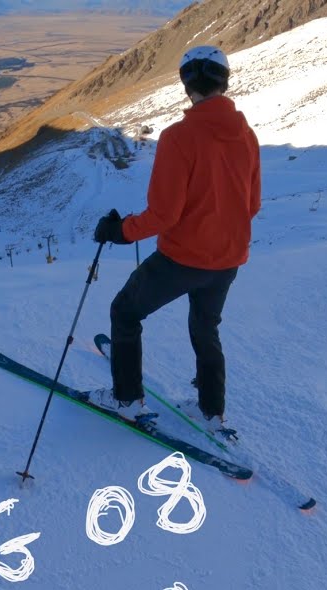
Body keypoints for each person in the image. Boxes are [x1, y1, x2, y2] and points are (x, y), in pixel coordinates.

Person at [89, 45, 260, 442]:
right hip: (228, 259)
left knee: (125, 312)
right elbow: (250, 204)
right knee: (206, 329)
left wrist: (119, 231)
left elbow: (164, 214)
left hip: (182, 259)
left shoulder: (179, 137)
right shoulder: (246, 136)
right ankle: (210, 411)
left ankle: (127, 400)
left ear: (187, 86)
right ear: (225, 81)